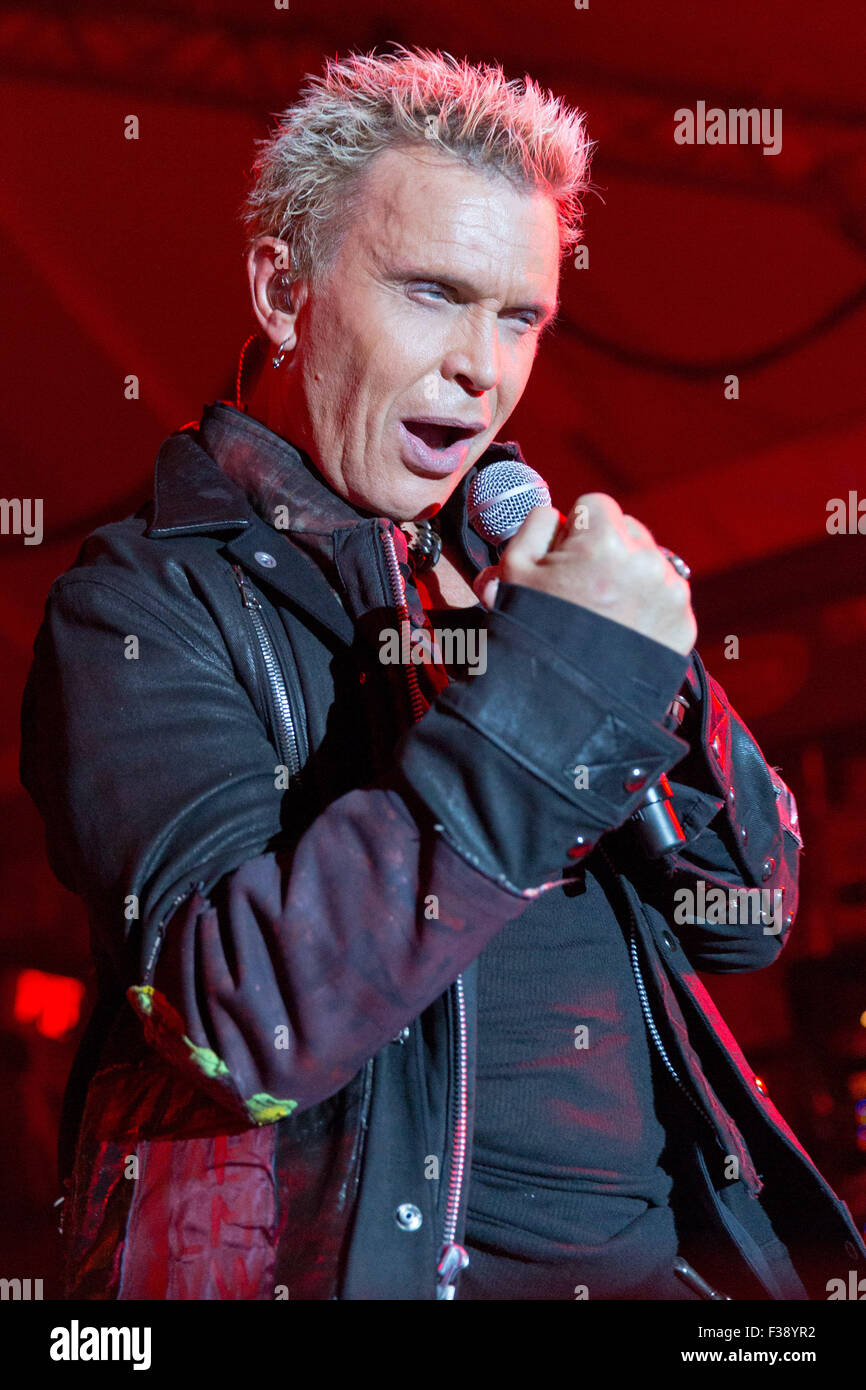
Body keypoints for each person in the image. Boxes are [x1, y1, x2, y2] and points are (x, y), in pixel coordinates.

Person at [19, 45, 866, 1301]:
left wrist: (650, 668)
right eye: (430, 292)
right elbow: (243, 1020)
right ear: (280, 288)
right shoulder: (143, 601)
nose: (483, 365)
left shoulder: (501, 569)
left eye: (518, 314)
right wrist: (565, 675)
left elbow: (743, 912)